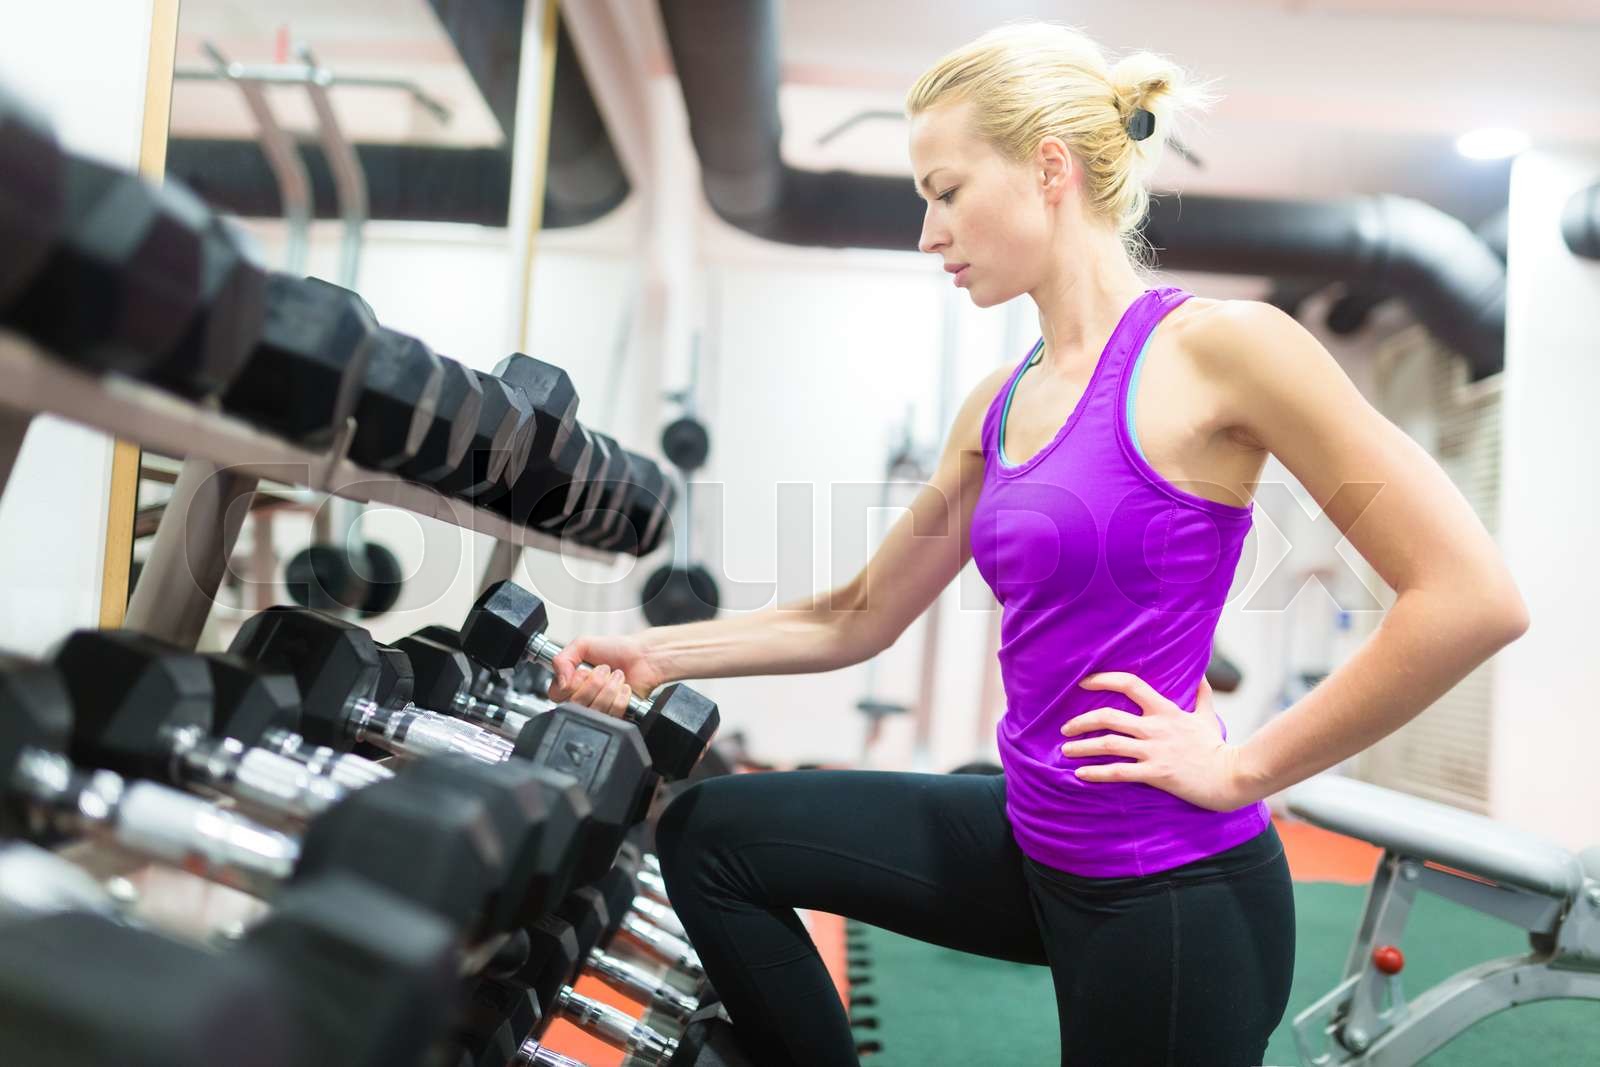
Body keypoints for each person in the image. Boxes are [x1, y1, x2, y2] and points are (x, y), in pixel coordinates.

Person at [546, 21, 1530, 1067]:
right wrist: (657, 655)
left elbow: (1470, 596)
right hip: (1031, 836)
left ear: (1048, 168)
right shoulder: (996, 403)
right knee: (712, 838)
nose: (929, 232)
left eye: (946, 189)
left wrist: (1247, 765)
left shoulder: (1221, 352)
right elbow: (856, 615)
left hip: (1166, 888)